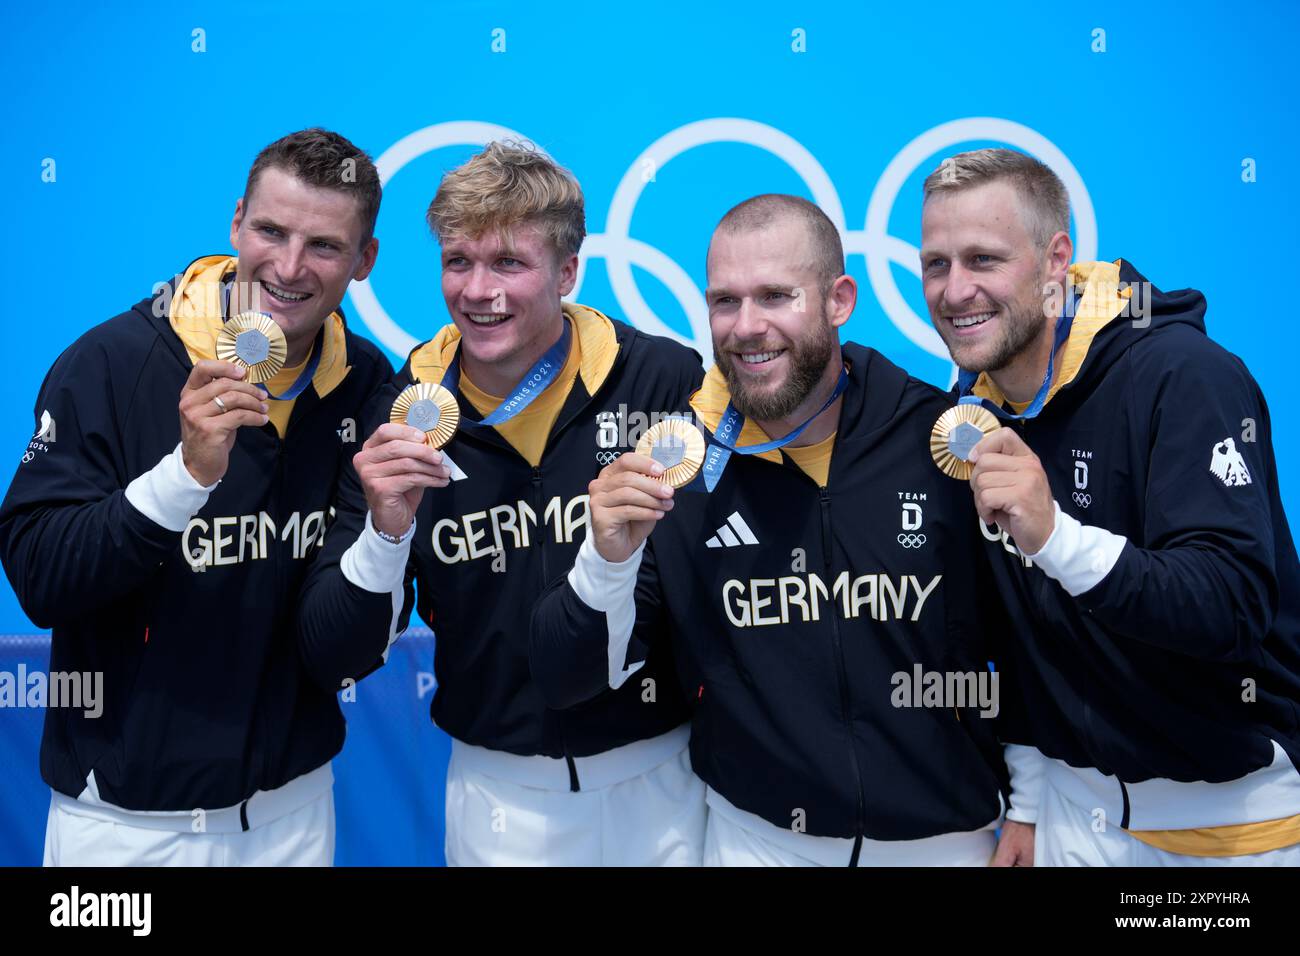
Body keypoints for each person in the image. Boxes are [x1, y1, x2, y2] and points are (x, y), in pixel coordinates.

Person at [531, 194, 1038, 866]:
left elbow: (1029, 637)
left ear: (839, 299)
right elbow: (566, 680)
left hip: (945, 844)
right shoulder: (676, 467)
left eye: (775, 296)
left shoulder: (939, 440)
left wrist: (1031, 804)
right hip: (758, 844)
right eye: (724, 301)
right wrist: (606, 563)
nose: (747, 327)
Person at [297, 142, 707, 866]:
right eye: (459, 261)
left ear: (568, 272)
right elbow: (334, 652)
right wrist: (385, 537)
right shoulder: (400, 411)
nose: (478, 291)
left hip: (663, 783)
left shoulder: (658, 379)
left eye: (508, 264)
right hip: (499, 800)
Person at [0, 128, 392, 866]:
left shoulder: (370, 385)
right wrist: (184, 477)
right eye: (271, 231)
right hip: (123, 829)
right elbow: (40, 580)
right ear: (237, 219)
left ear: (365, 260)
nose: (288, 267)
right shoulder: (112, 364)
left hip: (295, 816)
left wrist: (390, 536)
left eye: (325, 246)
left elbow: (343, 645)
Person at [919, 147, 1300, 865]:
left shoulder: (1185, 376)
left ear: (1055, 258)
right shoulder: (973, 410)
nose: (954, 288)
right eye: (936, 263)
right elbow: (1017, 634)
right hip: (1072, 819)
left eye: (983, 259)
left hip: (1232, 826)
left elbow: (1231, 604)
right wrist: (1029, 803)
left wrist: (1057, 535)